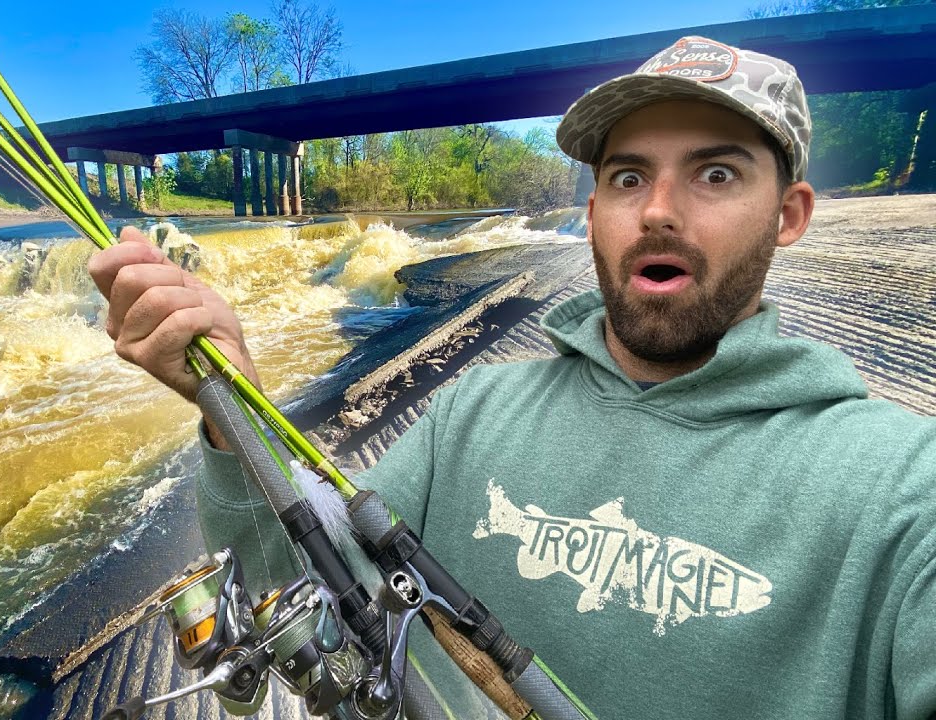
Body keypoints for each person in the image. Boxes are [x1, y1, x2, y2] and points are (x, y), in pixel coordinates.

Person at [88, 36, 935, 719]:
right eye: (627, 176)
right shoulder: (471, 413)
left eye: (716, 174)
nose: (658, 210)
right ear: (594, 210)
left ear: (788, 215)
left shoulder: (905, 493)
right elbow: (299, 590)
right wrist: (227, 401)